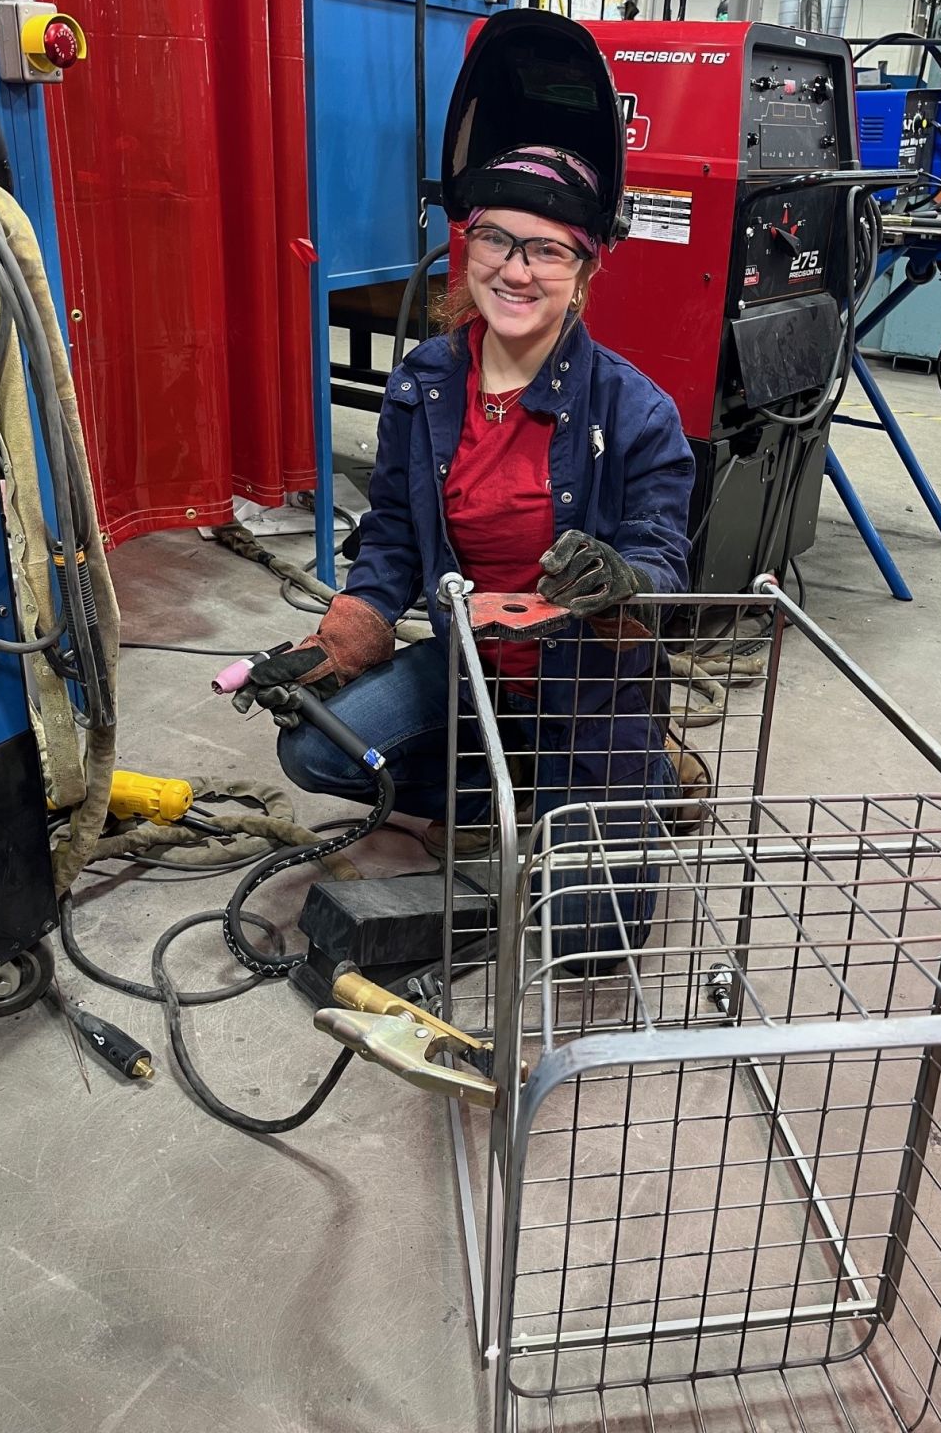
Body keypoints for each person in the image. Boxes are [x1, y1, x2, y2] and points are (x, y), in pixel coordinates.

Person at [235, 145, 696, 970]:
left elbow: (664, 556)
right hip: (471, 670)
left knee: (588, 948)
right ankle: (501, 796)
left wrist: (626, 581)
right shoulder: (425, 383)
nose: (517, 271)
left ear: (585, 271)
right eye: (497, 241)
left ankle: (640, 774)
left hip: (588, 689)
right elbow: (393, 539)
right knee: (315, 747)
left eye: (548, 249)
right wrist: (340, 637)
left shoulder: (636, 410)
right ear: (467, 248)